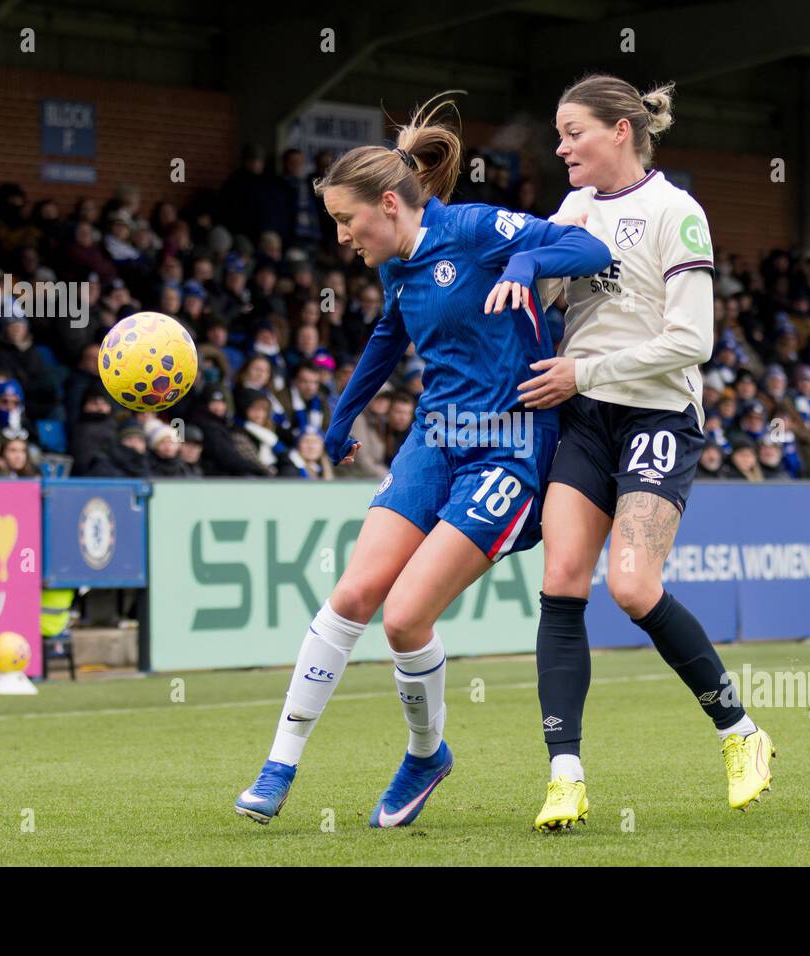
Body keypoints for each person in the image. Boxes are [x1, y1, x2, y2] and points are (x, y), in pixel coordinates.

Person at [234, 92, 611, 829]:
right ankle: (279, 764)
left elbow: (591, 252)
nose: (341, 235)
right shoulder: (397, 265)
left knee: (405, 621)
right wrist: (344, 413)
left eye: (346, 219)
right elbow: (387, 335)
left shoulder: (473, 228)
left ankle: (424, 754)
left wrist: (527, 257)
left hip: (508, 447)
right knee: (353, 595)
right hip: (435, 440)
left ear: (388, 204)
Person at [515, 74, 771, 829]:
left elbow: (694, 340)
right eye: (559, 135)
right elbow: (549, 297)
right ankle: (565, 775)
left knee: (630, 586)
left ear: (620, 131)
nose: (561, 148)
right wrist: (522, 277)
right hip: (586, 420)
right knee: (562, 578)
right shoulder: (573, 209)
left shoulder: (676, 212)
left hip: (659, 415)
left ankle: (742, 734)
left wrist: (582, 369)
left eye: (573, 133)